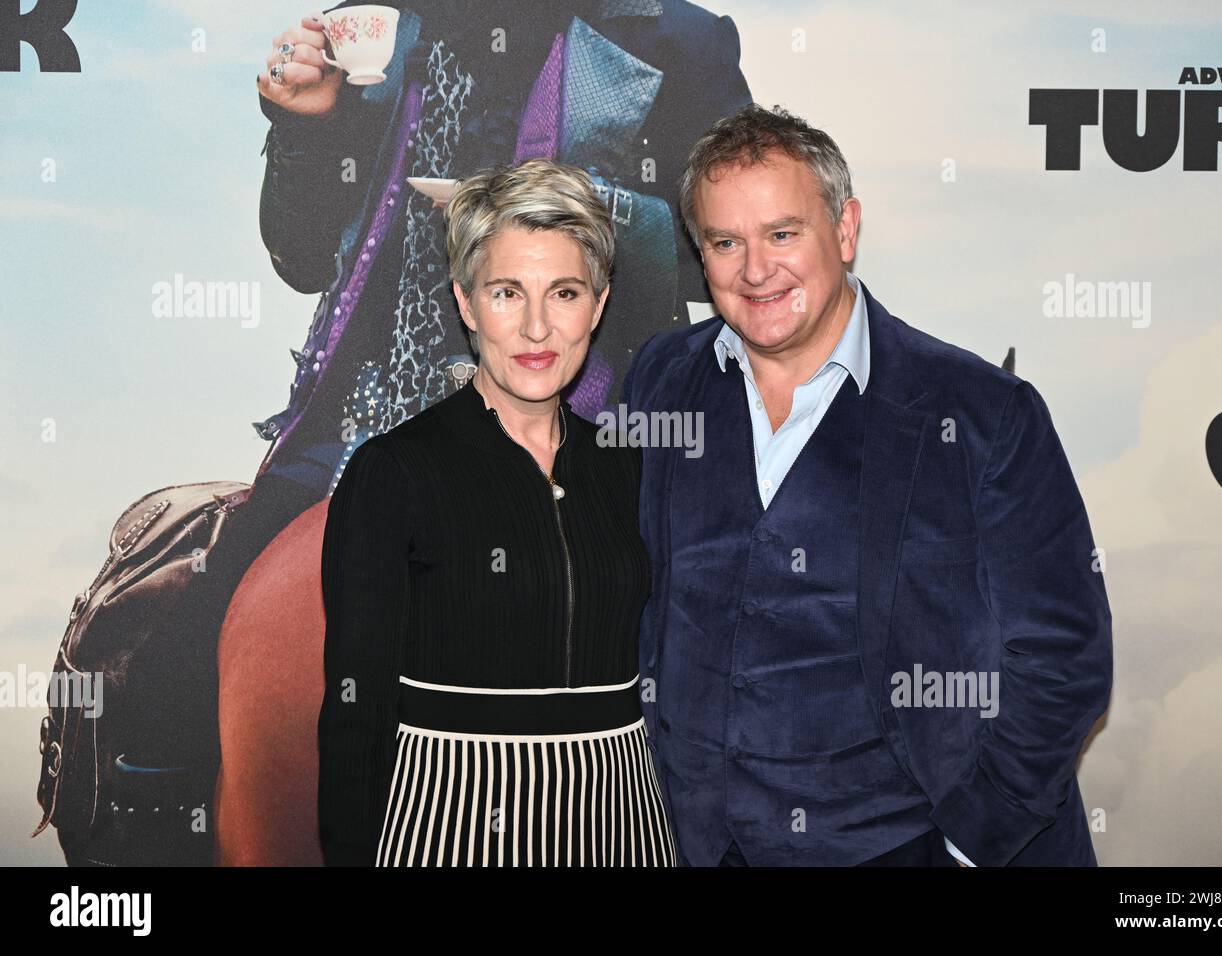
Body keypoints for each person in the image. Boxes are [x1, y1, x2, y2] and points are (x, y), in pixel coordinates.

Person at [214, 0, 748, 866]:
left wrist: (588, 213)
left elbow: (732, 250)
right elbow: (302, 254)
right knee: (187, 637)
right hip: (368, 410)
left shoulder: (682, 41)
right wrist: (304, 126)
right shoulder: (385, 33)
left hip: (593, 419)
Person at [621, 103, 1114, 867]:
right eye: (726, 242)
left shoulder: (981, 412)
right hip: (702, 845)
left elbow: (1062, 653)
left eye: (783, 234)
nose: (756, 270)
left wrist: (971, 836)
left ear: (845, 230)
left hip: (903, 846)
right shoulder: (664, 378)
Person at [317, 158, 677, 866]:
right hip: (449, 829)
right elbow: (356, 716)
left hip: (623, 830)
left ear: (598, 307)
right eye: (507, 292)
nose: (538, 326)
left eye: (565, 292)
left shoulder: (631, 471)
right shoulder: (394, 473)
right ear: (466, 302)